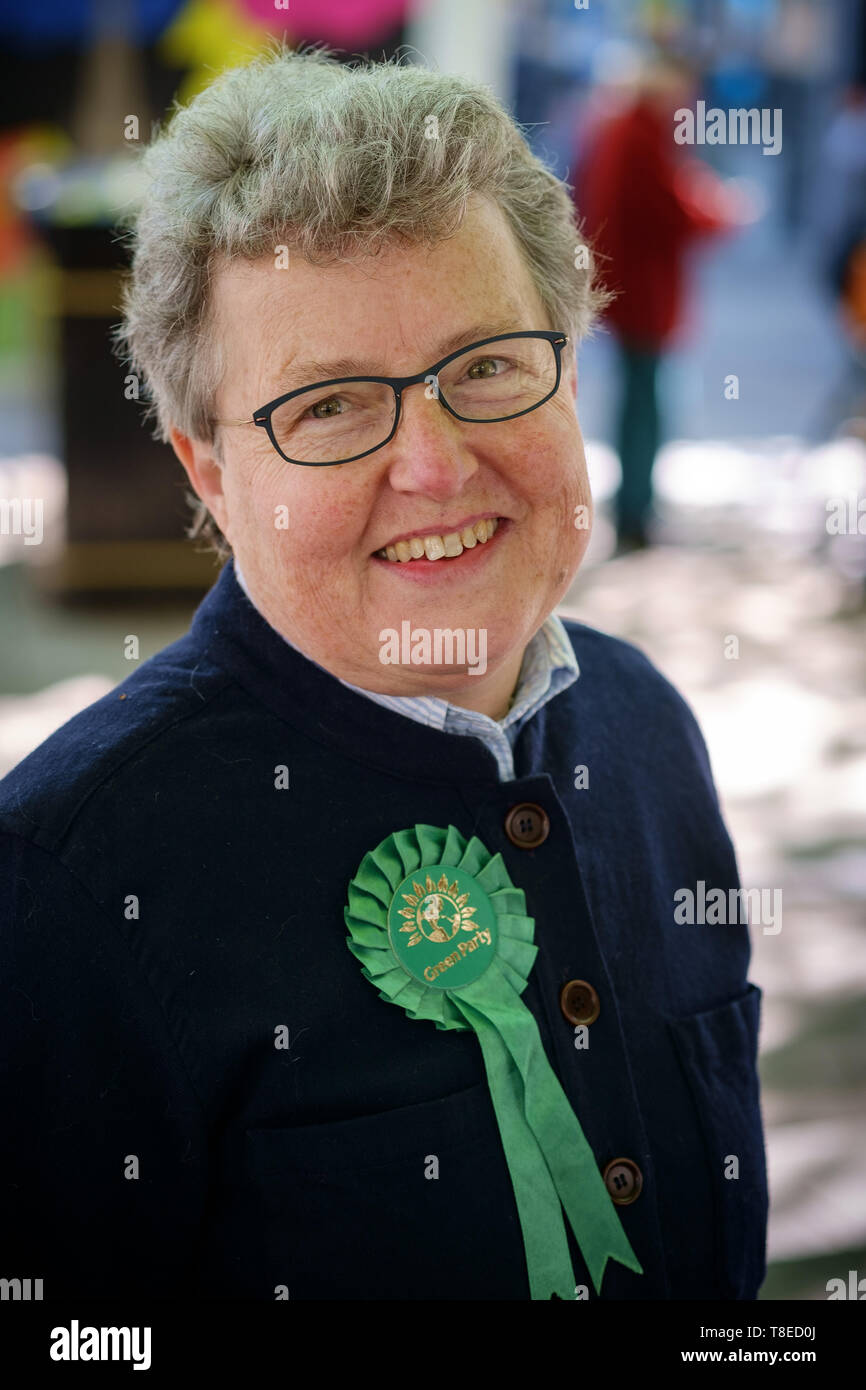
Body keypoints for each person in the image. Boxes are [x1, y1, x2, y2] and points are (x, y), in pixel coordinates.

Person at [0, 45, 768, 1301]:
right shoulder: (65, 884)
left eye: (485, 366)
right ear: (210, 476)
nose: (434, 465)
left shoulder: (648, 726)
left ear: (568, 370)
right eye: (333, 406)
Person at [577, 55, 745, 550]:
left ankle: (635, 508)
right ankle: (635, 513)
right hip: (641, 294)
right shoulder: (640, 130)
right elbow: (665, 211)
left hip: (632, 290)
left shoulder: (623, 126)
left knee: (640, 400)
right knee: (644, 406)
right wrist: (718, 212)